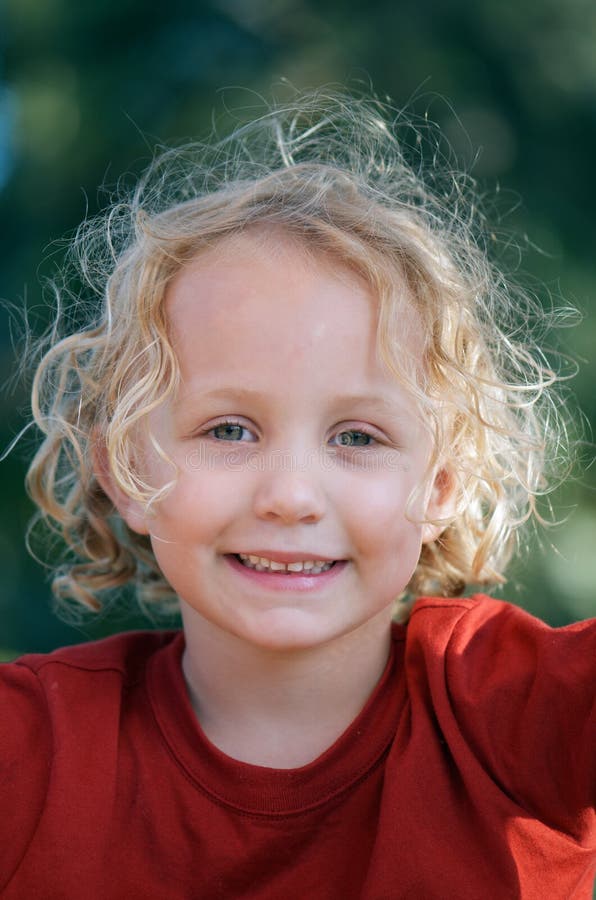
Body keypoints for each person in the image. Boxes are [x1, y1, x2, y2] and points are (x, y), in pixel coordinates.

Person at [1, 89, 594, 899]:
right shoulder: (31, 747)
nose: (289, 496)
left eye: (358, 437)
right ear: (125, 472)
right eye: (230, 430)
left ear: (444, 483)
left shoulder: (515, 712)